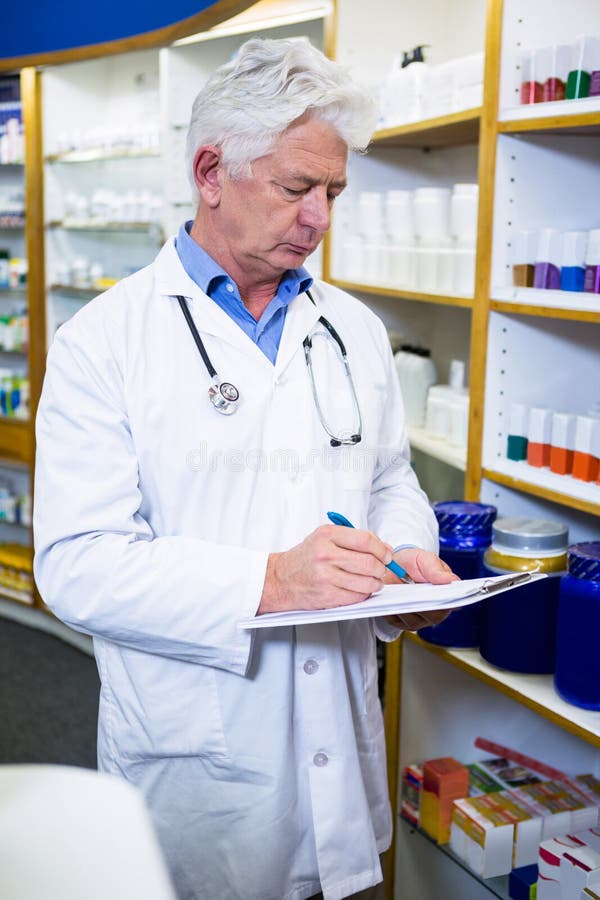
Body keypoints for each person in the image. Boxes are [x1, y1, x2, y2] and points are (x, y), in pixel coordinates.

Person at [33, 37, 457, 900]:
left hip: (340, 747)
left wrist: (403, 554)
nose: (321, 219)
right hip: (200, 771)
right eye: (297, 188)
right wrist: (269, 581)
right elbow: (75, 566)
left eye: (334, 191)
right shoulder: (103, 344)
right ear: (211, 170)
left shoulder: (355, 330)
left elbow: (388, 480)